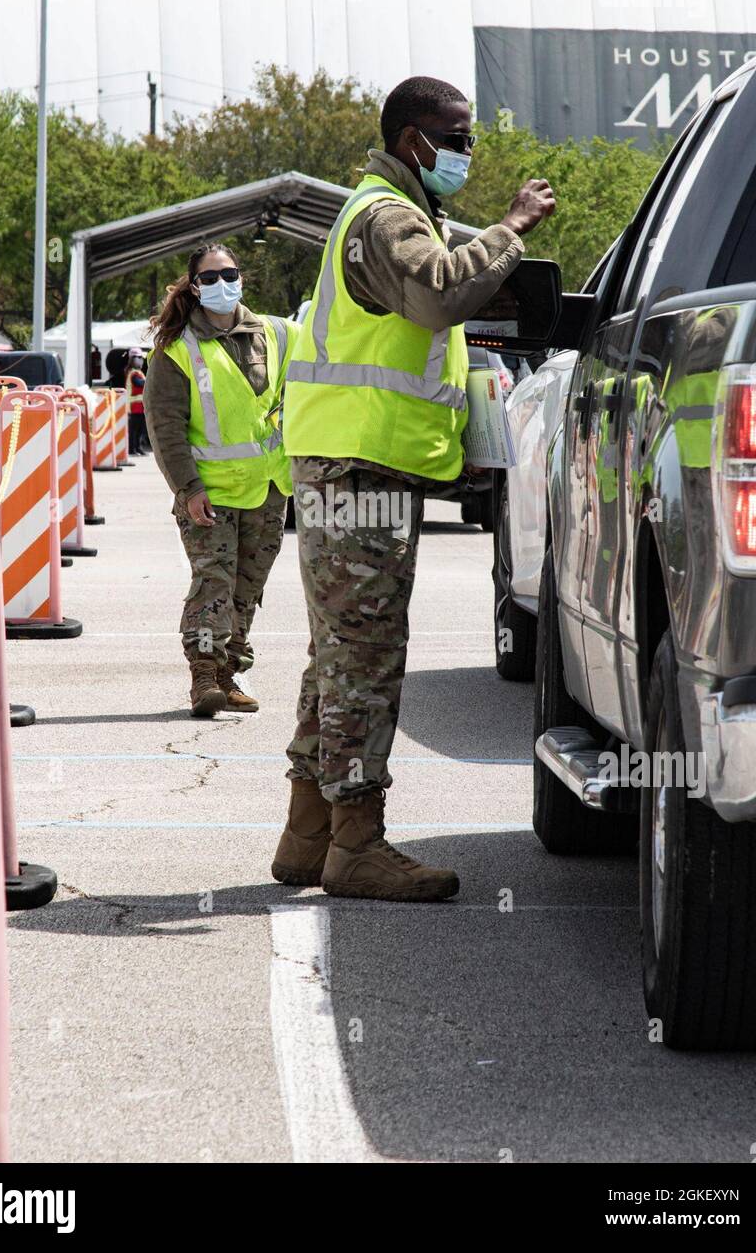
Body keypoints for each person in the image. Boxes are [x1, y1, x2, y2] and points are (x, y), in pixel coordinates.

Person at [273, 75, 556, 903]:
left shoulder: (395, 213)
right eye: (457, 137)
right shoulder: (387, 217)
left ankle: (309, 833)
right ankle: (355, 843)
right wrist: (508, 229)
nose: (466, 151)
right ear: (413, 142)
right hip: (355, 468)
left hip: (358, 463)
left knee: (338, 653)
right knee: (363, 656)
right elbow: (437, 295)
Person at [144, 243, 297, 716]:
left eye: (228, 274)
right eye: (209, 278)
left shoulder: (278, 335)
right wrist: (188, 489)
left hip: (268, 488)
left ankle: (230, 672)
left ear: (241, 277)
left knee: (248, 586)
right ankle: (205, 676)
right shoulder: (177, 350)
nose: (221, 284)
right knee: (213, 583)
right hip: (208, 494)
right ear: (194, 287)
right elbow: (164, 426)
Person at [125, 349, 148, 455]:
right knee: (134, 430)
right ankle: (132, 449)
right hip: (135, 406)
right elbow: (139, 384)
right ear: (133, 359)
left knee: (140, 429)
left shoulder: (137, 372)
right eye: (139, 358)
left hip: (140, 406)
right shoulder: (134, 373)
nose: (141, 360)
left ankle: (137, 447)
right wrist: (150, 380)